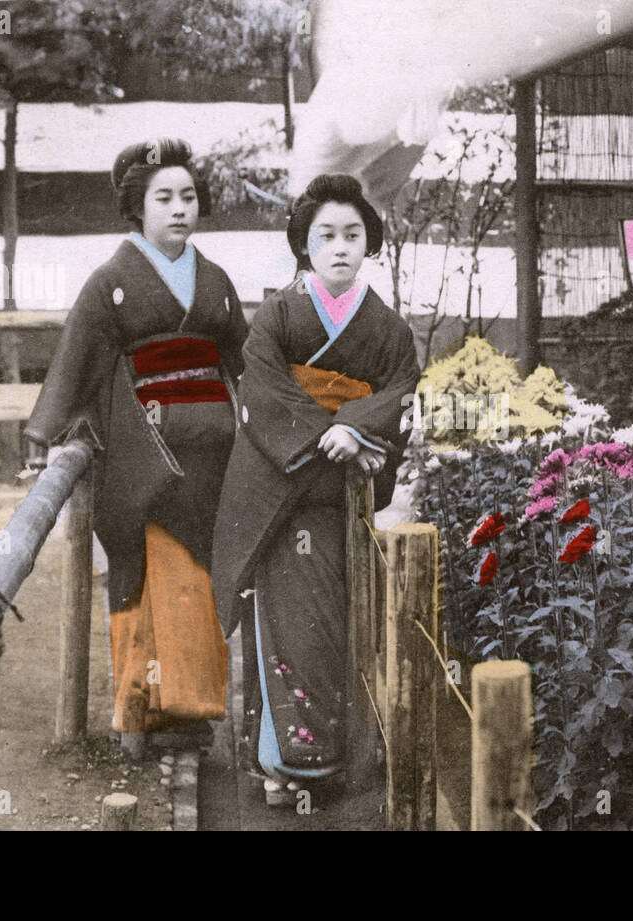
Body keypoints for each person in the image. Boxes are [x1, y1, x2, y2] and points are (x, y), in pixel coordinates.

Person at [25, 138, 249, 758]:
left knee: (198, 579)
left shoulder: (218, 283)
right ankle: (139, 716)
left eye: (189, 196)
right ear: (137, 208)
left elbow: (243, 362)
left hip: (212, 452)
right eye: (165, 198)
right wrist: (50, 433)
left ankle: (189, 712)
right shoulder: (112, 282)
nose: (181, 208)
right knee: (142, 574)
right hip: (142, 451)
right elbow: (78, 360)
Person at [210, 173, 420, 805]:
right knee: (281, 623)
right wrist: (329, 434)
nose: (339, 247)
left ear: (369, 244)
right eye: (325, 235)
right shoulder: (276, 315)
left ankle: (332, 759)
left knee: (336, 622)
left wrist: (354, 427)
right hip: (279, 493)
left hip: (339, 495)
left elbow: (401, 386)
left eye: (352, 235)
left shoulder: (386, 329)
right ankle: (281, 765)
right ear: (303, 243)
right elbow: (263, 389)